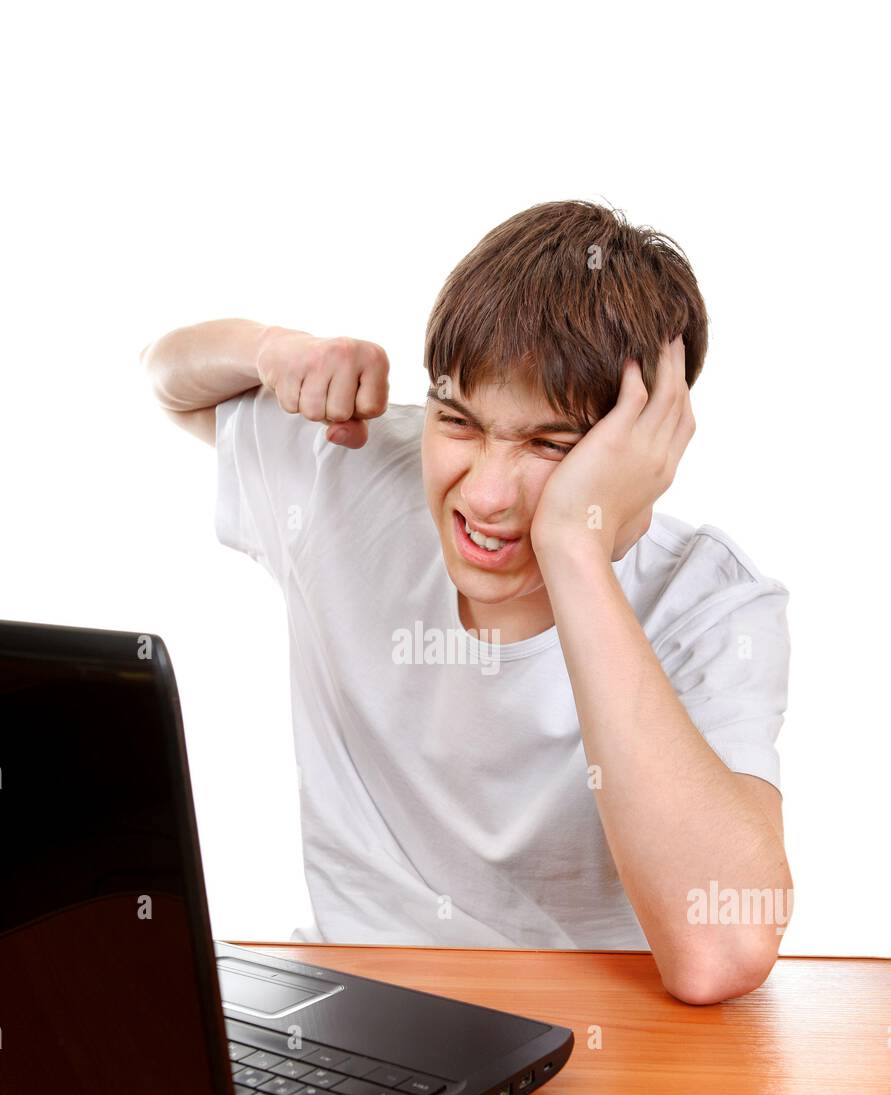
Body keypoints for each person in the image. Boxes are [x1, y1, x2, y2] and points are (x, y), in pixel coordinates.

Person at [140, 199, 792, 1004]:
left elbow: (719, 953)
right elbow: (170, 378)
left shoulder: (710, 605)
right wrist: (274, 349)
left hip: (600, 1045)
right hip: (351, 1012)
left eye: (549, 446)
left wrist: (574, 546)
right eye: (460, 421)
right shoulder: (350, 469)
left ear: (642, 452)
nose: (485, 496)